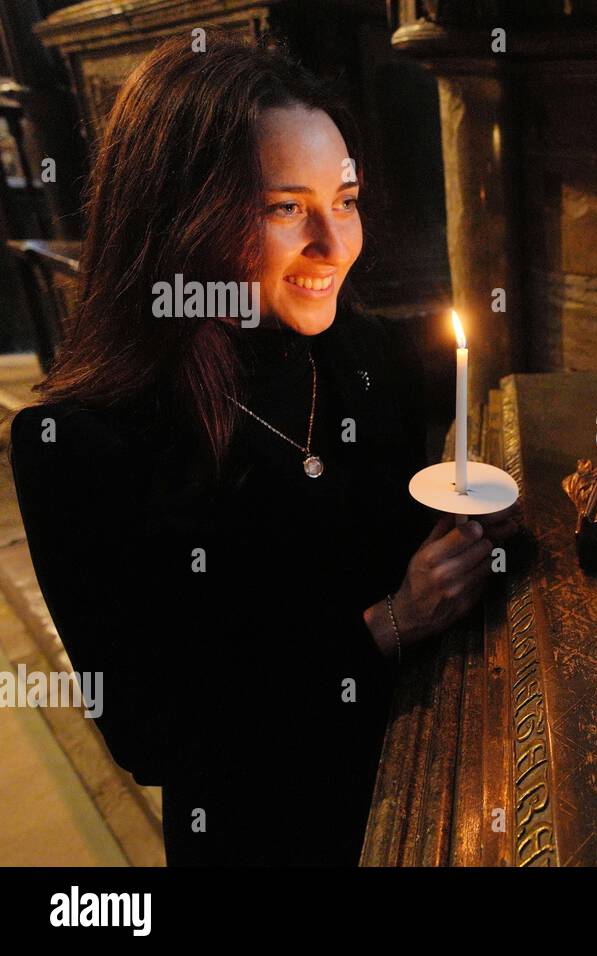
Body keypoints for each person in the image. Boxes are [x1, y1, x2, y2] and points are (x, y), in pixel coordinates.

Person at [8, 35, 520, 865]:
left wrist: (474, 527)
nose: (334, 244)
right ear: (180, 219)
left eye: (345, 199)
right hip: (269, 831)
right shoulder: (81, 443)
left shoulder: (361, 357)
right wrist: (386, 625)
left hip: (423, 778)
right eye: (286, 208)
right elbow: (152, 734)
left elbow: (377, 533)